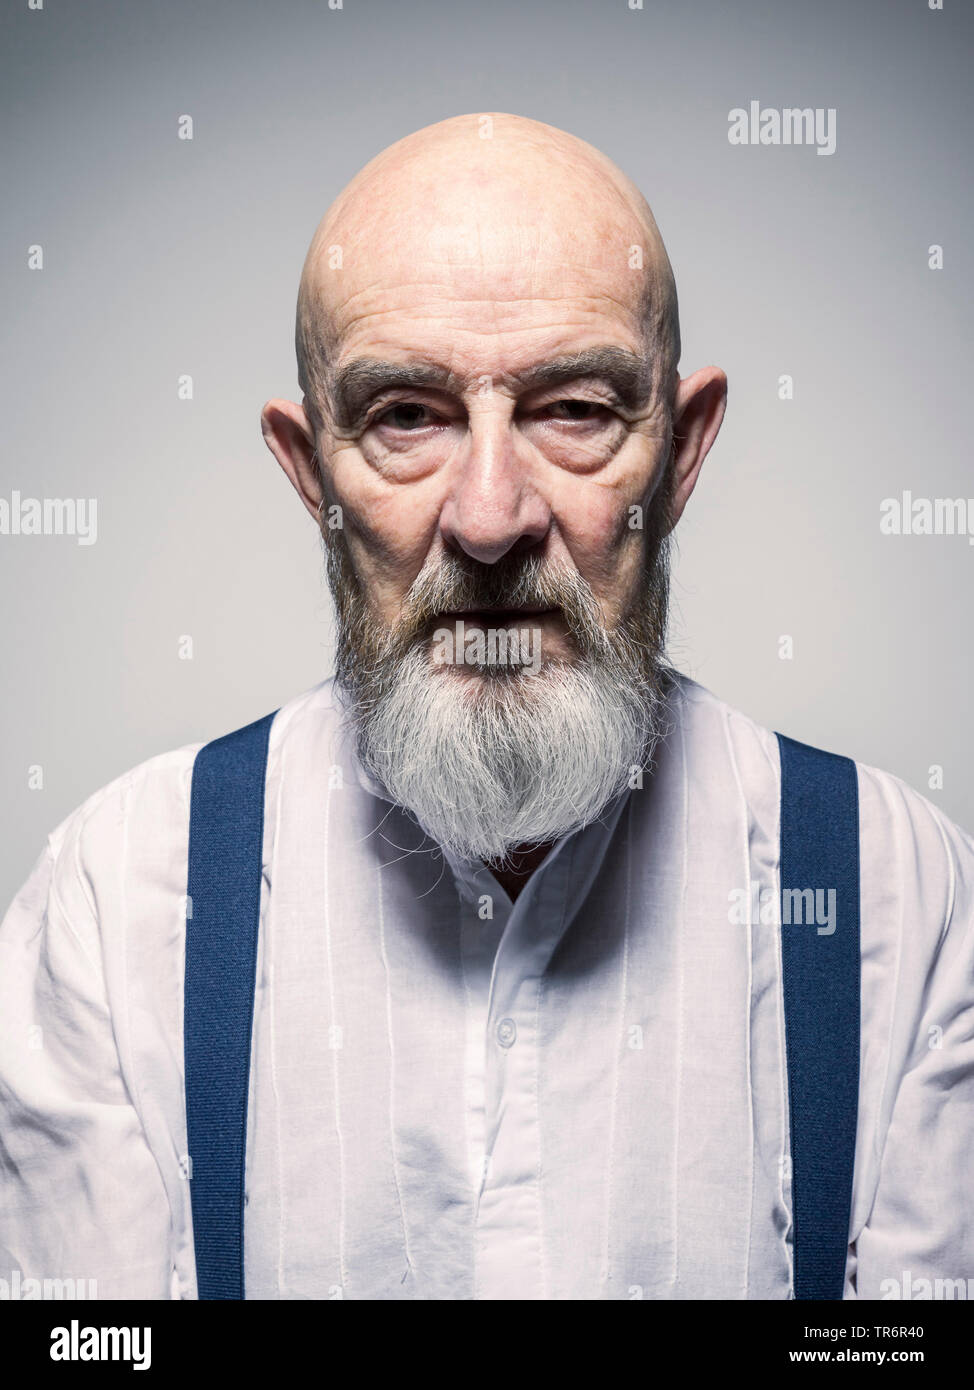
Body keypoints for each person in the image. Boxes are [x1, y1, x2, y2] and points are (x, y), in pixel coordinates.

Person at [1, 113, 972, 1301]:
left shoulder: (897, 895)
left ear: (682, 450)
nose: (490, 515)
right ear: (311, 474)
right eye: (405, 415)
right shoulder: (122, 902)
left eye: (574, 409)